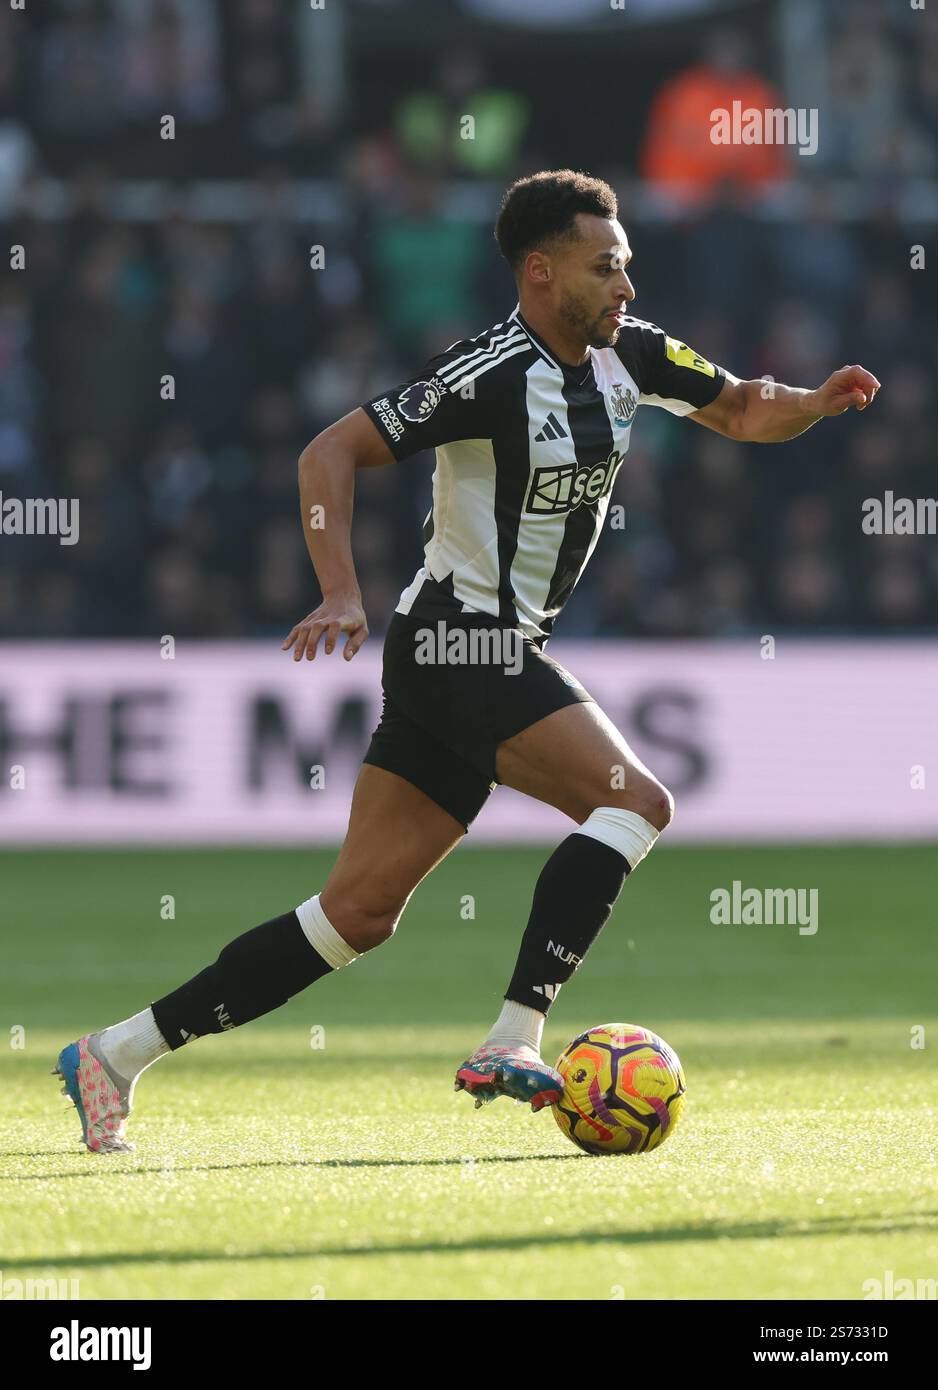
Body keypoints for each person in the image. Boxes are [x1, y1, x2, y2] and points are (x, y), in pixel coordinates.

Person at [54, 169, 880, 1152]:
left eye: (627, 265)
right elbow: (328, 451)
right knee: (634, 802)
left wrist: (815, 405)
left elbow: (743, 407)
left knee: (354, 913)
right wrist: (337, 588)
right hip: (457, 638)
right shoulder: (486, 374)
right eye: (603, 265)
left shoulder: (634, 353)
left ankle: (115, 1052)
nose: (624, 284)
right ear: (539, 271)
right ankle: (513, 1033)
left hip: (477, 653)